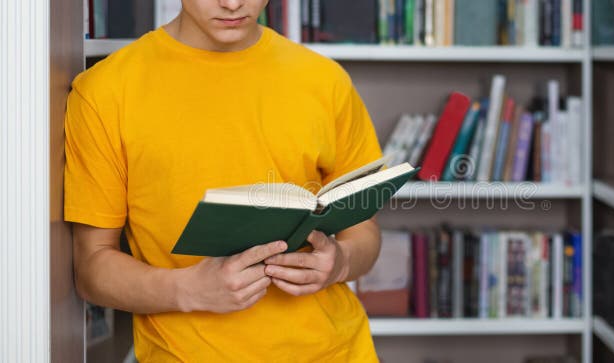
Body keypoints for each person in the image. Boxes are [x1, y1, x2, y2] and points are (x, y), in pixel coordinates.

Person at [65, 0, 383, 361]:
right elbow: (91, 267)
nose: (232, 3)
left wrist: (340, 263)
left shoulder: (325, 80)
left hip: (338, 351)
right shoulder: (106, 90)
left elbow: (364, 231)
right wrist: (187, 290)